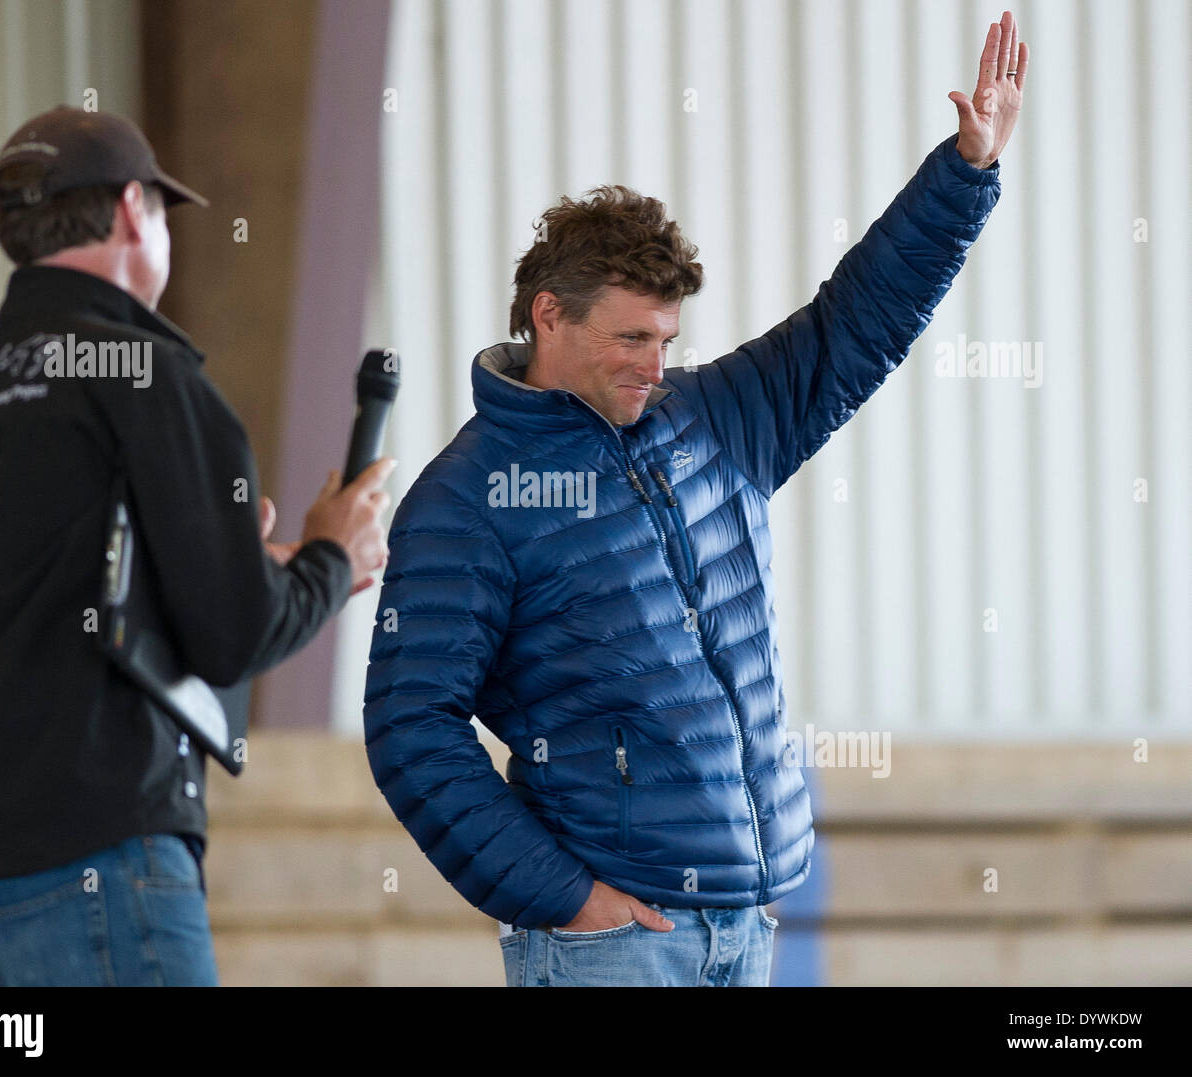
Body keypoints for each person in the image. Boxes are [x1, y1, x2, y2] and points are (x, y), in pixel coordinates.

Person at [364, 14, 1028, 986]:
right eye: (631, 339)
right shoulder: (468, 501)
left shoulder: (711, 420)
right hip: (613, 942)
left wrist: (965, 170)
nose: (655, 366)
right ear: (548, 314)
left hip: (746, 929)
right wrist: (565, 900)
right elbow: (410, 724)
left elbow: (857, 324)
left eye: (667, 340)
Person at [0, 106, 393, 986]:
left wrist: (229, 567)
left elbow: (35, 621)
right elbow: (233, 633)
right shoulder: (148, 376)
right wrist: (328, 560)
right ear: (132, 208)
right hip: (104, 864)